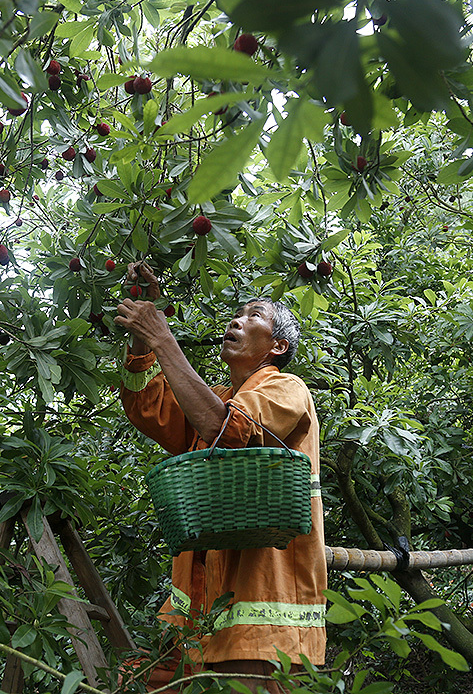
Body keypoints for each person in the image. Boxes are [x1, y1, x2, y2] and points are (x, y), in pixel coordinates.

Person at [114, 262, 326, 693]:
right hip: (196, 622)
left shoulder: (287, 389)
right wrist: (144, 327)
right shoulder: (220, 399)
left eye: (254, 315)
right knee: (133, 682)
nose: (237, 319)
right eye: (239, 312)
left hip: (263, 628)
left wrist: (164, 338)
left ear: (278, 346)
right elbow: (149, 407)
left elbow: (223, 431)